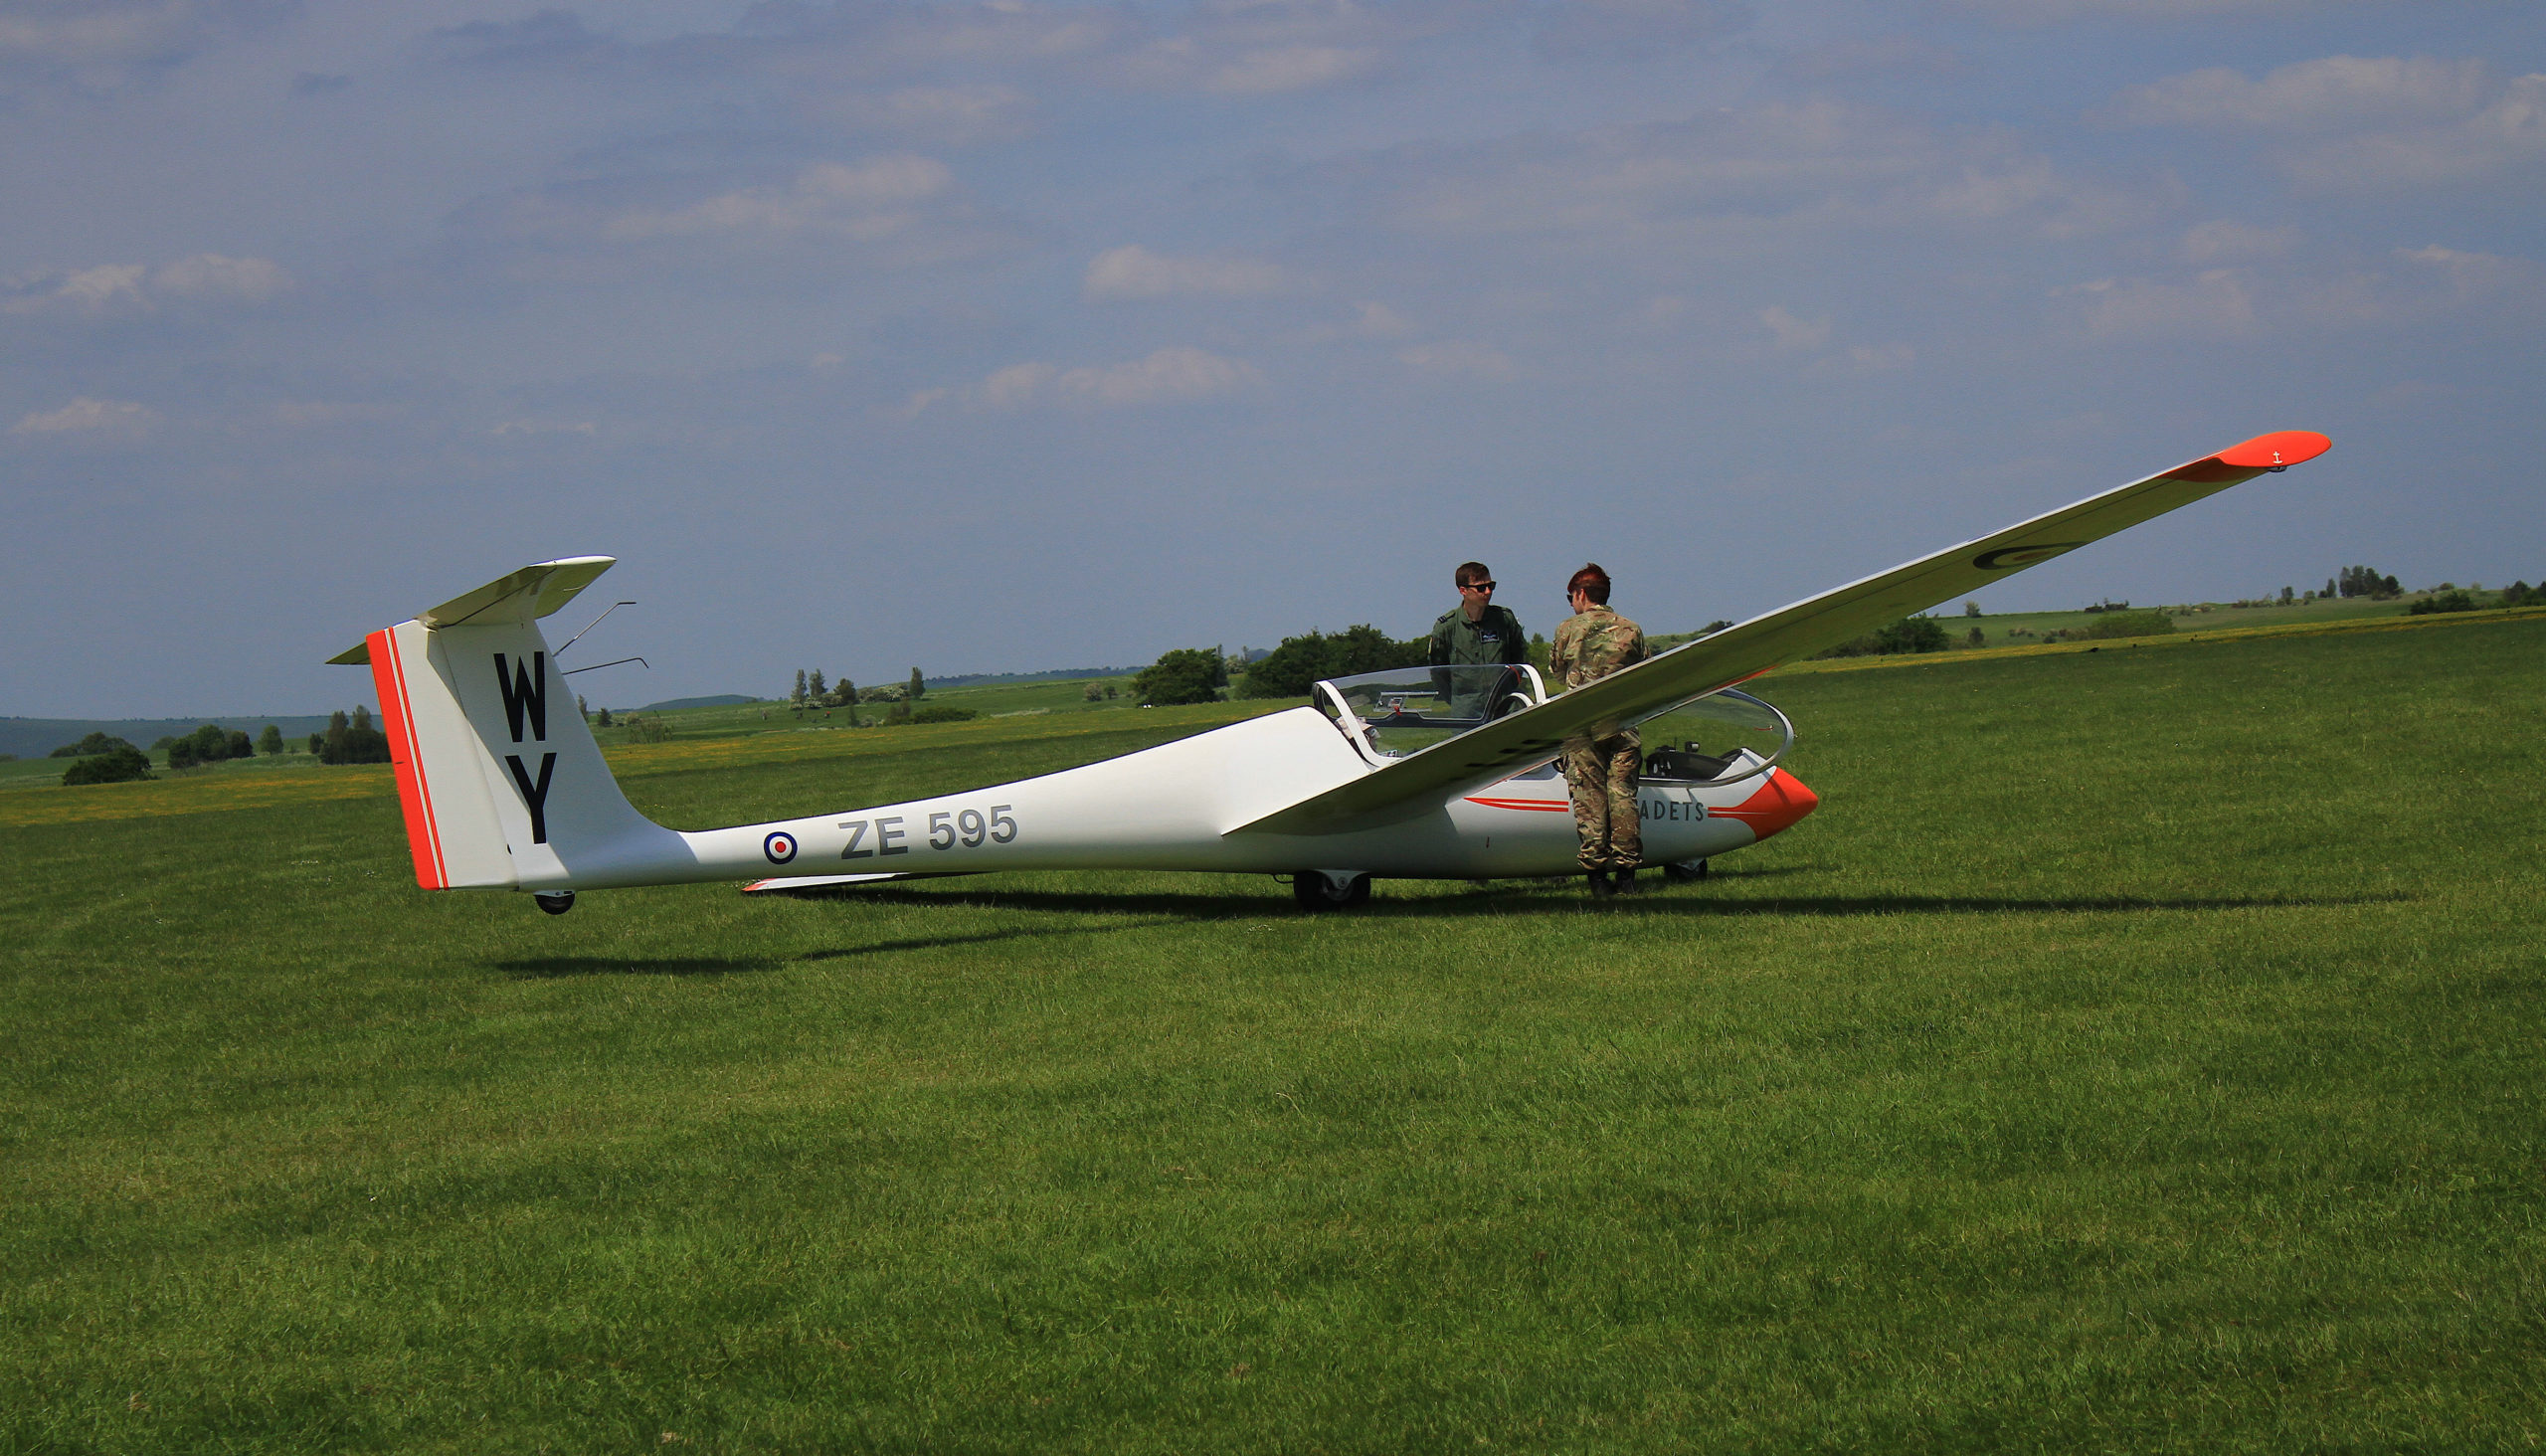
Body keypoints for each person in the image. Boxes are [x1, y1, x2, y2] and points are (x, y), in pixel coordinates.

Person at [1548, 563, 1648, 896]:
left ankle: (1596, 877)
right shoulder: (1631, 629)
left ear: (1581, 594)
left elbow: (1558, 671)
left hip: (1582, 728)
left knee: (1590, 799)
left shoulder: (1567, 629)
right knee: (1622, 796)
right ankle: (1627, 874)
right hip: (1622, 725)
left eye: (1570, 596)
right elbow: (1643, 668)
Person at [1428, 562, 1526, 720]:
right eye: (1481, 588)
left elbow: (1519, 659)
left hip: (1506, 707)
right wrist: (1462, 701)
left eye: (1491, 586)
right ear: (1463, 590)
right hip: (1467, 714)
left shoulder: (1504, 619)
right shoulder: (1446, 627)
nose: (1487, 592)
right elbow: (1439, 673)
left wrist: (1508, 689)